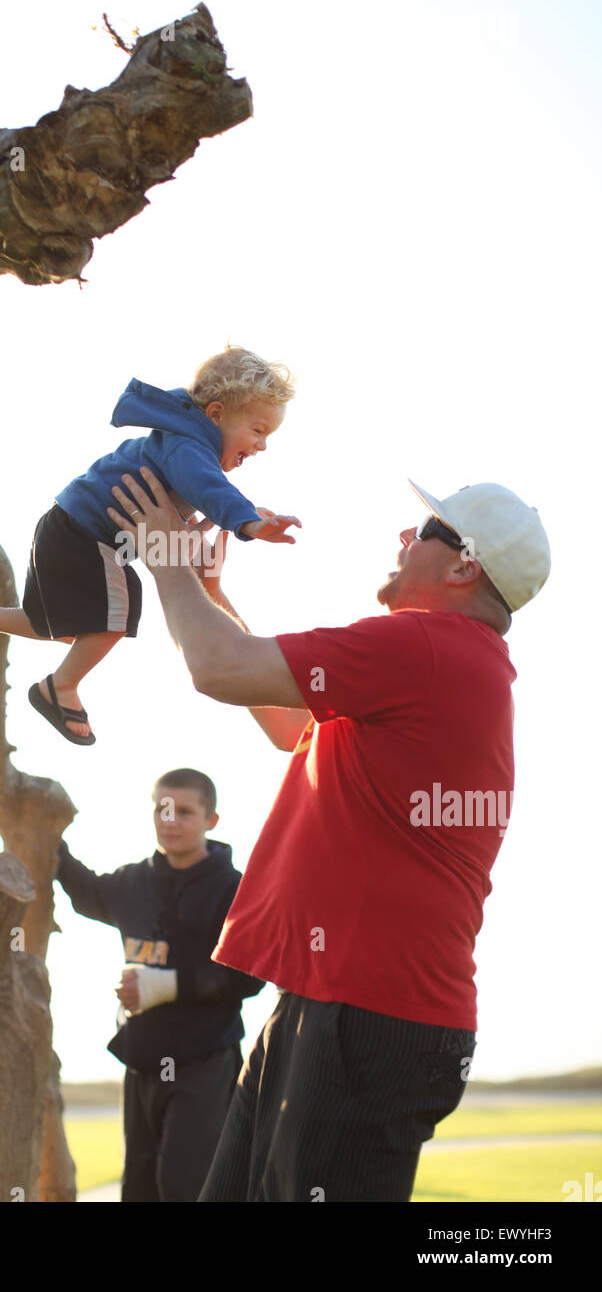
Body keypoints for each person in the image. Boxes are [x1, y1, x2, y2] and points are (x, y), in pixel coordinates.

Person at [107, 468, 551, 1202]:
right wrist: (209, 594)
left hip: (372, 1019)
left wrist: (164, 561)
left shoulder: (427, 647)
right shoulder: (443, 663)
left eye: (425, 532)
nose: (405, 539)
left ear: (463, 563)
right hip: (328, 1002)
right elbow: (290, 726)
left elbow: (218, 668)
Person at [0, 347, 299, 745]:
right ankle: (59, 688)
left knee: (73, 625)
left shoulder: (182, 447)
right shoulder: (188, 448)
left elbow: (210, 494)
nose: (262, 445)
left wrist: (249, 514)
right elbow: (212, 490)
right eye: (258, 431)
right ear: (215, 414)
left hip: (69, 529)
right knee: (120, 609)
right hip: (85, 534)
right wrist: (248, 522)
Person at [54, 766, 265, 1202]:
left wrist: (163, 986)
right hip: (143, 1056)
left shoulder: (235, 889)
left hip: (205, 1060)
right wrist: (45, 832)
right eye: (161, 809)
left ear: (212, 820)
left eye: (185, 811)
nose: (170, 819)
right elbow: (83, 890)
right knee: (140, 1188)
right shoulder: (133, 882)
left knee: (187, 1187)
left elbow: (250, 978)